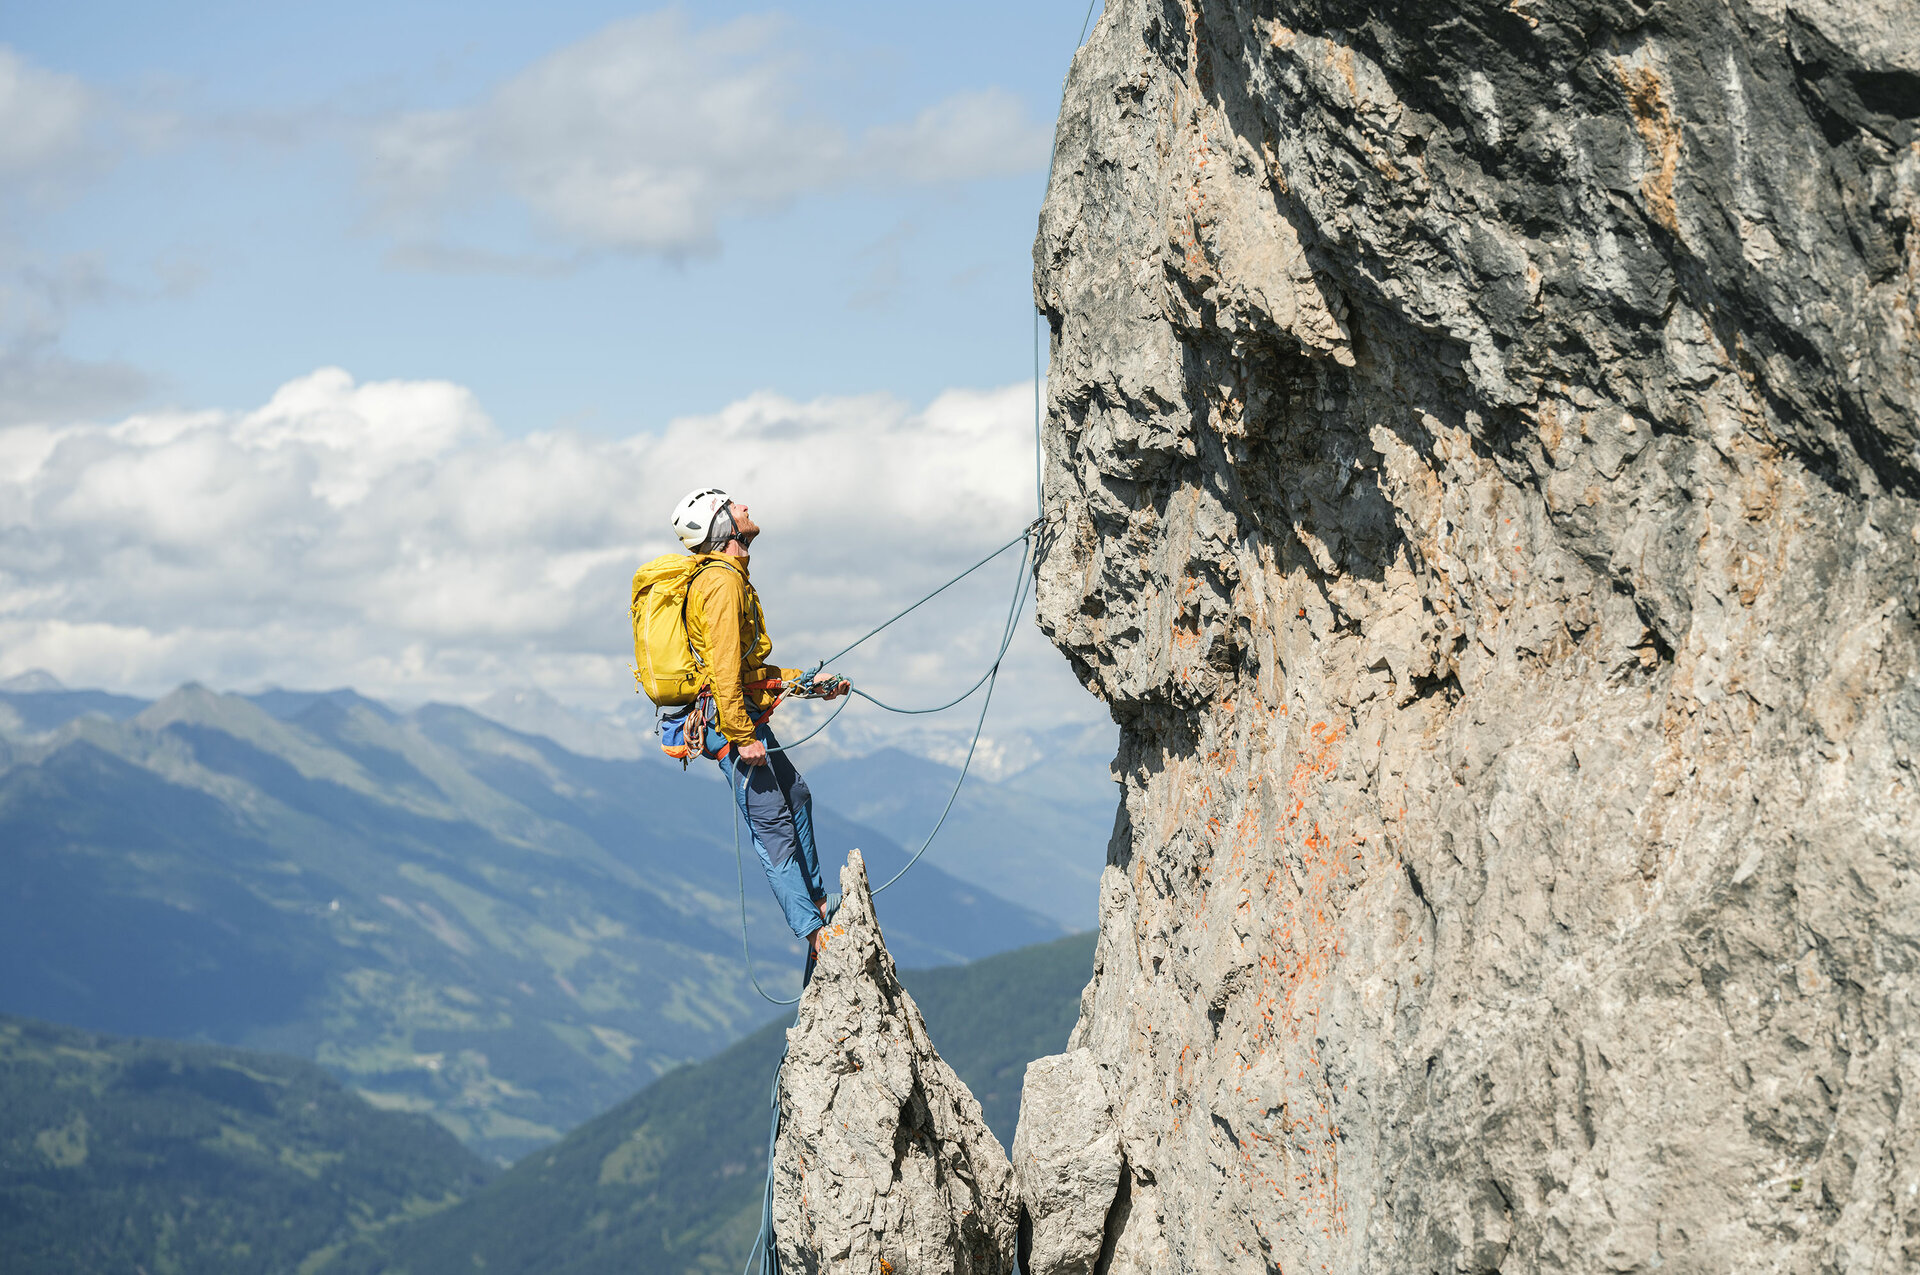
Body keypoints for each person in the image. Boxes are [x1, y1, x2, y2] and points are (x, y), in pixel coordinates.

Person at [667, 487, 850, 964]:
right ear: (722, 526)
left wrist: (809, 683)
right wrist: (744, 738)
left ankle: (818, 901)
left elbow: (746, 672)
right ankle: (815, 935)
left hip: (736, 717)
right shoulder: (723, 585)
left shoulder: (731, 579)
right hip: (731, 727)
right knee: (772, 826)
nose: (744, 505)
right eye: (732, 505)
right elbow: (725, 671)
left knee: (796, 796)